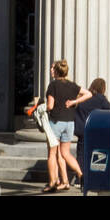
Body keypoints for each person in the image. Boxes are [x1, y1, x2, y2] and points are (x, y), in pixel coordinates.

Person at [44, 59, 85, 192]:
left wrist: (43, 108)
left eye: (53, 69)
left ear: (56, 71)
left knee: (52, 153)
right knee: (66, 153)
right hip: (70, 122)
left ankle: (52, 183)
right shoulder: (72, 85)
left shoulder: (53, 85)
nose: (51, 71)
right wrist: (74, 101)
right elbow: (88, 94)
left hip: (56, 121)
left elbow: (50, 106)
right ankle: (80, 175)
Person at [68, 77, 110, 177]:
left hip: (81, 130)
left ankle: (79, 178)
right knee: (94, 153)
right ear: (103, 88)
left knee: (81, 154)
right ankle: (93, 176)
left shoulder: (83, 97)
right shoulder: (100, 98)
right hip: (94, 130)